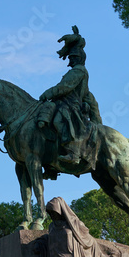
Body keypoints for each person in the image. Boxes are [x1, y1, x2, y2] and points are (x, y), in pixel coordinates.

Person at [36, 26, 103, 168]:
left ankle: (73, 153)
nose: (70, 60)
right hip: (64, 102)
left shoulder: (78, 71)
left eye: (73, 57)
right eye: (70, 57)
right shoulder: (76, 71)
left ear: (79, 58)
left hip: (70, 105)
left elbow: (64, 87)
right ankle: (49, 159)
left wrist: (48, 93)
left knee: (60, 120)